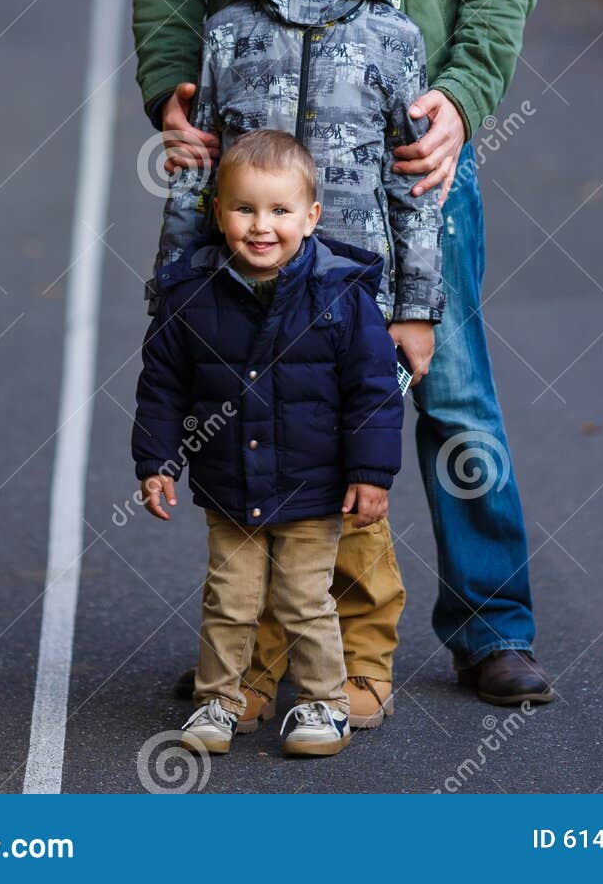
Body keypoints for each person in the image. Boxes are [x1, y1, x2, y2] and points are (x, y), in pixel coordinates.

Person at [131, 0, 552, 708]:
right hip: (249, 164)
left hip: (403, 158)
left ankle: (491, 624)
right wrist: (168, 76)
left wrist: (461, 97)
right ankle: (255, 649)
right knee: (248, 391)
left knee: (445, 383)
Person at [151, 0, 443, 726]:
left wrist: (416, 309)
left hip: (352, 304)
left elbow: (415, 189)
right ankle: (254, 675)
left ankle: (360, 668)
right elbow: (196, 175)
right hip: (240, 302)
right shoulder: (230, 29)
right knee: (252, 474)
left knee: (349, 491)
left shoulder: (392, 37)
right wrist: (172, 291)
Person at [133, 130, 403, 758]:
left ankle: (322, 703)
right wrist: (157, 461)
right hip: (230, 483)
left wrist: (370, 473)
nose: (261, 226)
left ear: (311, 218)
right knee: (229, 598)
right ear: (219, 212)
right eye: (245, 208)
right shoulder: (191, 296)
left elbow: (373, 392)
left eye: (280, 211)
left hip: (313, 484)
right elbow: (162, 388)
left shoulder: (341, 295)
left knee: (305, 596)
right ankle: (221, 701)